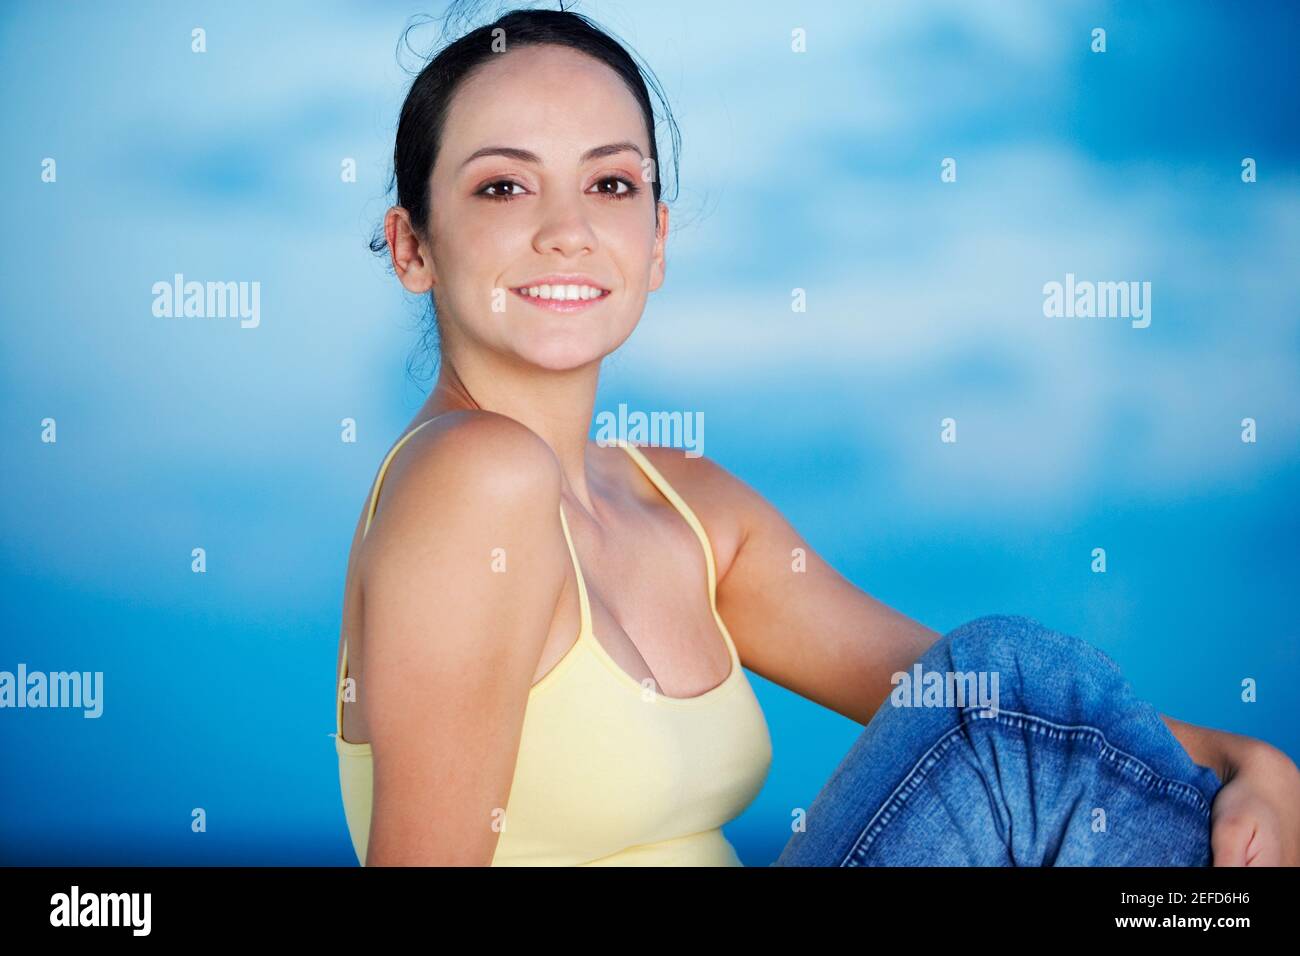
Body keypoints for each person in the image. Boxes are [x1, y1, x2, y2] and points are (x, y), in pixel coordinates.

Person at [334, 6, 1300, 866]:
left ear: (657, 240)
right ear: (414, 246)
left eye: (612, 186)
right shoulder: (473, 479)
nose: (567, 230)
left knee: (1005, 686)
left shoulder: (685, 507)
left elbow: (1008, 717)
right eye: (504, 187)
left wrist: (1246, 759)